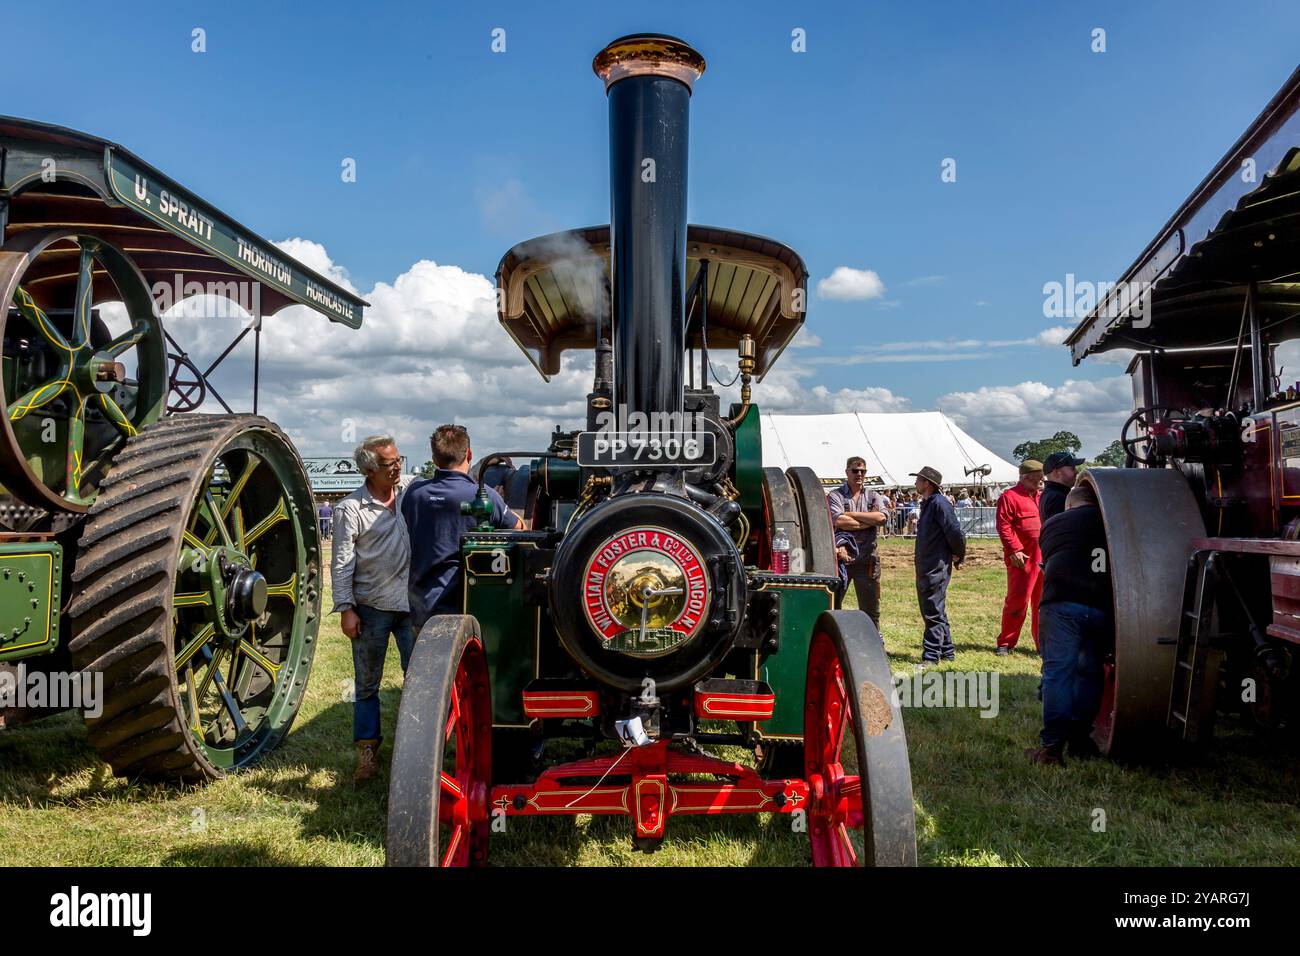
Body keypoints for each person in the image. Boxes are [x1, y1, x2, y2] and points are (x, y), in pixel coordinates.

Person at [330, 435, 412, 783]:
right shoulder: (350, 509)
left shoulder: (410, 491)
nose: (397, 468)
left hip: (411, 605)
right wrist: (347, 608)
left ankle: (417, 750)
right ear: (368, 469)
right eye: (389, 464)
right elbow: (342, 562)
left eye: (398, 460)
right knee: (366, 685)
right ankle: (367, 753)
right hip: (372, 607)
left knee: (419, 682)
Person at [402, 424, 525, 635]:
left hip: (423, 604)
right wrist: (499, 502)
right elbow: (521, 529)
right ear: (469, 453)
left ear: (433, 458)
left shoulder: (414, 494)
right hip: (469, 603)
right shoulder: (485, 496)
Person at [1026, 483, 1112, 765]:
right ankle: (1079, 738)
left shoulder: (1054, 523)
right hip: (1100, 605)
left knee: (1058, 673)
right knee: (1089, 672)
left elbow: (1049, 559)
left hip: (1061, 602)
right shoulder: (1109, 522)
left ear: (1070, 504)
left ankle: (1052, 748)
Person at [911, 466, 965, 666]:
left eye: (918, 480)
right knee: (936, 609)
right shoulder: (930, 503)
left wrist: (959, 554)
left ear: (927, 483)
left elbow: (954, 531)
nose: (915, 483)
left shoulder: (939, 503)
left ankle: (931, 656)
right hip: (928, 563)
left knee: (932, 609)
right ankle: (947, 651)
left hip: (935, 564)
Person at [827, 456, 889, 628]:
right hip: (843, 561)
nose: (859, 474)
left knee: (871, 610)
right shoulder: (836, 495)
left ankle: (874, 641)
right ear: (847, 472)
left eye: (863, 471)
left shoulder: (873, 495)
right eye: (855, 470)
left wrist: (851, 515)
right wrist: (868, 522)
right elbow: (838, 521)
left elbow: (882, 518)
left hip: (867, 560)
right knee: (834, 606)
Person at [995, 460, 1045, 656]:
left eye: (1042, 476)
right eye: (1038, 477)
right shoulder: (1010, 497)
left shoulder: (1043, 497)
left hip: (1045, 555)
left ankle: (1043, 645)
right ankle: (1006, 642)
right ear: (1025, 478)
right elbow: (1004, 525)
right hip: (1023, 557)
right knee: (1018, 600)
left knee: (1043, 603)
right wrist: (1014, 549)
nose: (1042, 480)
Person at [1039, 451, 1084, 522]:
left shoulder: (1051, 494)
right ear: (1056, 472)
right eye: (1072, 468)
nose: (1077, 472)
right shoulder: (1057, 498)